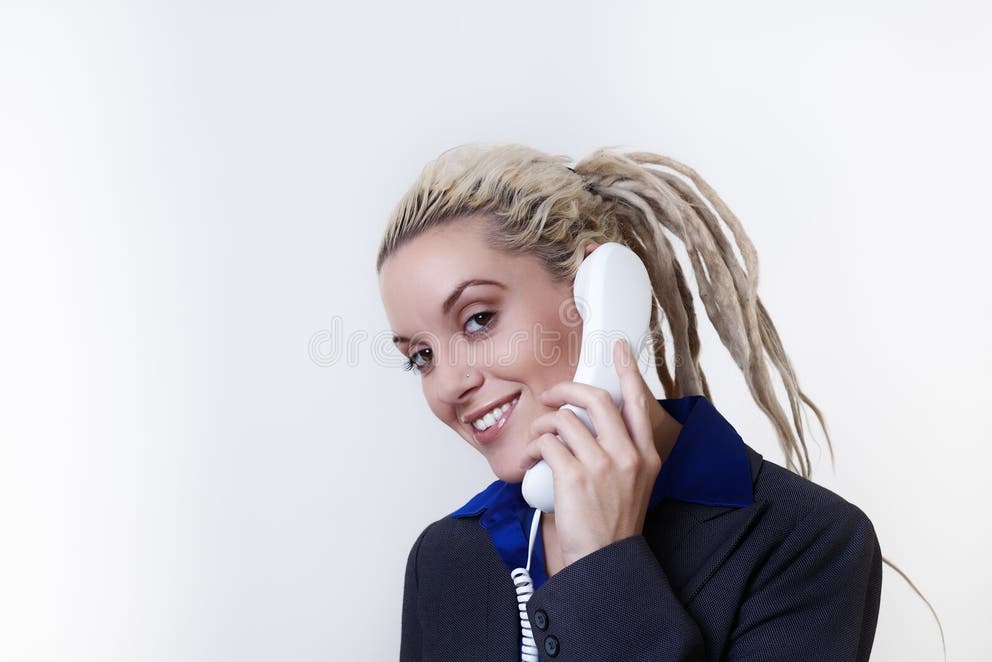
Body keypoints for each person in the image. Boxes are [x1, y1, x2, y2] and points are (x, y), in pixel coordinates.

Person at [376, 144, 933, 661]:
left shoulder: (807, 543)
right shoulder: (445, 561)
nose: (447, 385)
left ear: (596, 291)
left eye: (479, 319)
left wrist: (604, 561)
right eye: (421, 356)